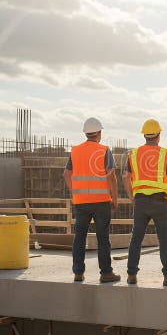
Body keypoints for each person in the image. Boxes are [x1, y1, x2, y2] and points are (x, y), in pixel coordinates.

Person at [122, 119, 167, 286]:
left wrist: (131, 196)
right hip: (161, 202)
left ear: (144, 135)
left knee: (136, 239)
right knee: (164, 239)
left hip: (141, 201)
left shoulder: (133, 154)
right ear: (158, 135)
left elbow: (125, 176)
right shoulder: (165, 153)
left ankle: (131, 274)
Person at [63, 117, 120, 283]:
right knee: (103, 238)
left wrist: (75, 192)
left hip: (81, 202)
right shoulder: (103, 150)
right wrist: (114, 198)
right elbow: (112, 176)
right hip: (102, 201)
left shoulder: (75, 151)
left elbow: (66, 174)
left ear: (85, 133)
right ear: (99, 133)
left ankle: (78, 273)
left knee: (79, 238)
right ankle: (106, 273)